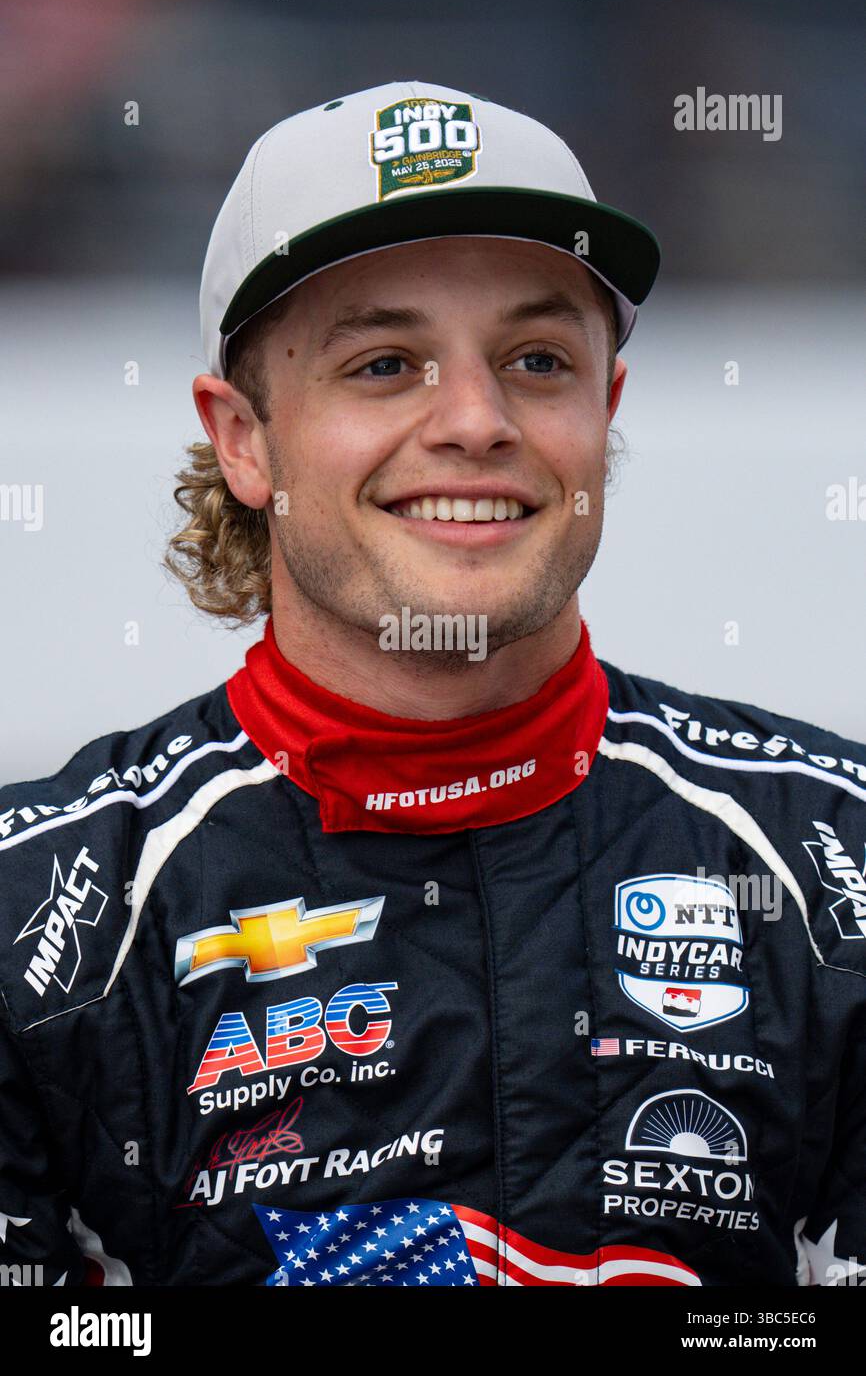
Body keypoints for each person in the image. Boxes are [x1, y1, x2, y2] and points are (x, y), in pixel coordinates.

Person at [1, 80, 864, 1290]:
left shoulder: (832, 870)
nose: (474, 419)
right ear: (243, 436)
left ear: (602, 407)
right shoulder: (42, 923)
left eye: (534, 357)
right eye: (385, 362)